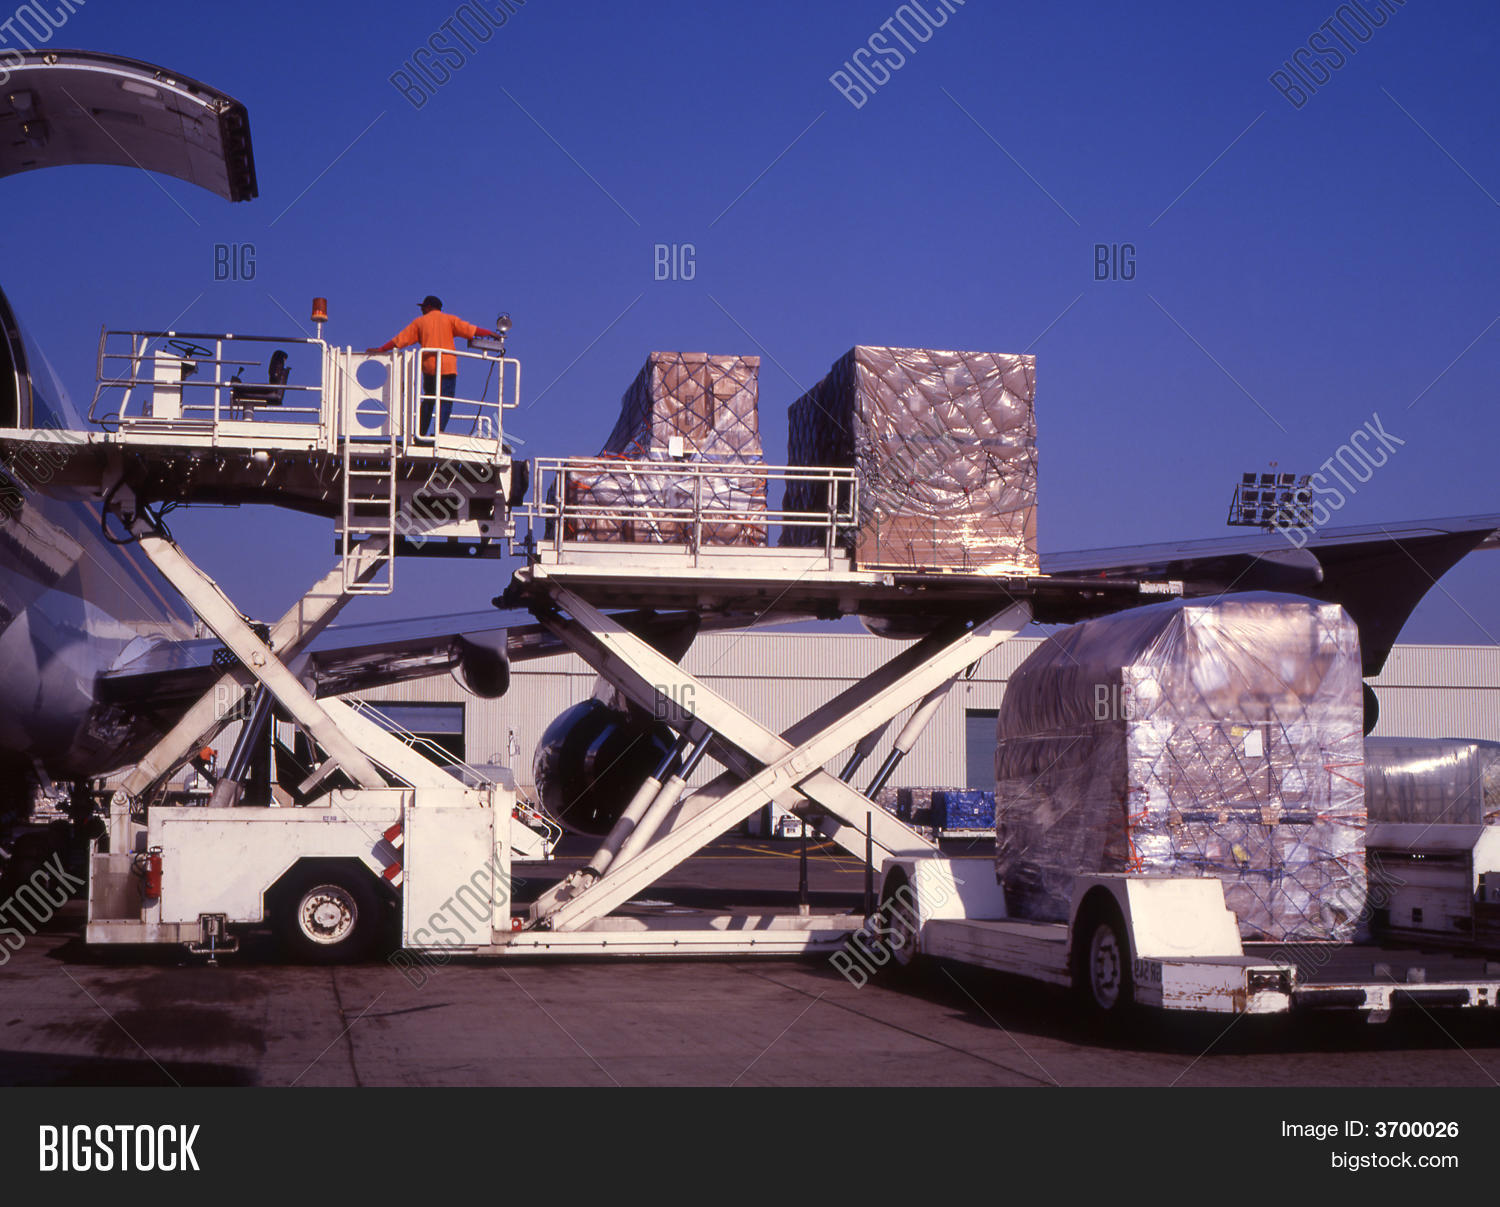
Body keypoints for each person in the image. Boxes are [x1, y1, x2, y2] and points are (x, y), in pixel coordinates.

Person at [366, 296, 497, 439]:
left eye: (423, 307)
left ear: (428, 307)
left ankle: (421, 432)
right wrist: (490, 333)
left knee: (428, 400)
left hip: (429, 368)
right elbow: (471, 330)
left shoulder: (420, 322)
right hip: (447, 367)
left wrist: (382, 349)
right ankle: (439, 431)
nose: (421, 309)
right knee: (445, 400)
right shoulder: (450, 320)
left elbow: (400, 339)